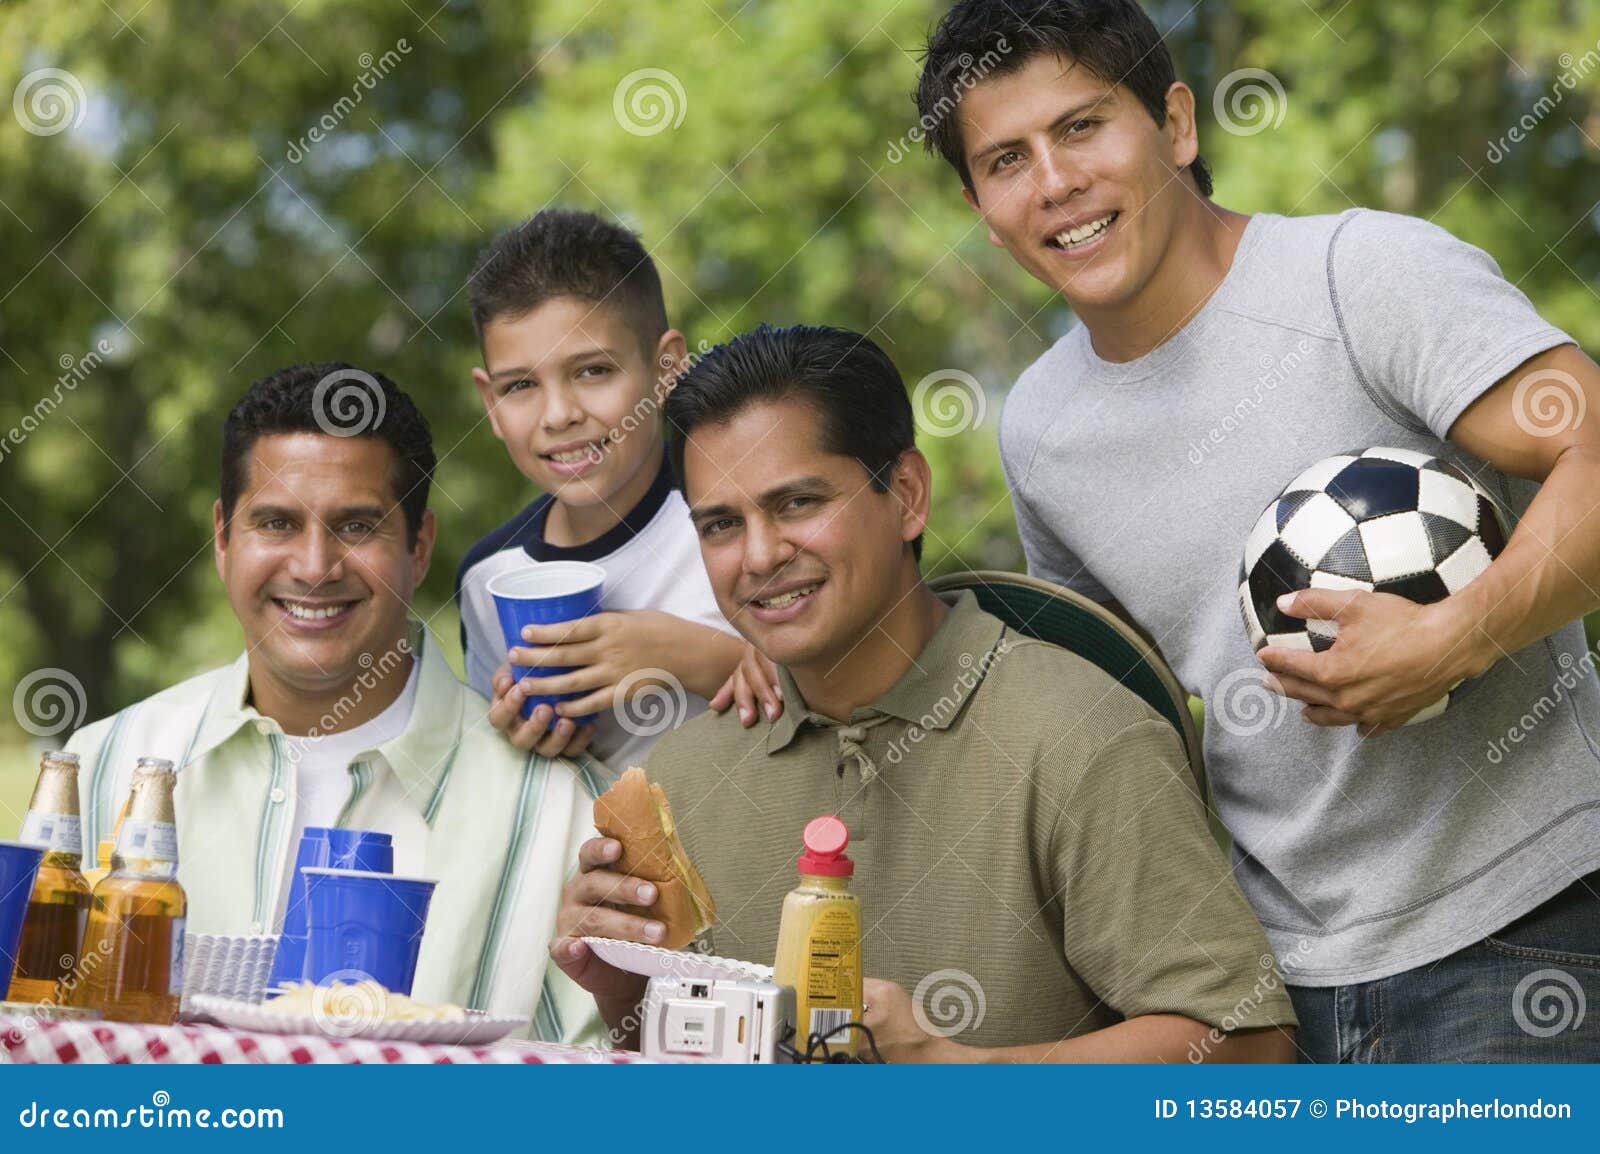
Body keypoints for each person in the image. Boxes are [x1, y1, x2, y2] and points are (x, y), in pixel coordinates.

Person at [917, 0, 1600, 1060]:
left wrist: (1455, 635)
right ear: (979, 204)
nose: (1053, 182)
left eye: (1083, 126)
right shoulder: (1040, 428)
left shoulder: (1360, 275)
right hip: (1278, 987)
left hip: (1526, 931)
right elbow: (1112, 719)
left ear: (1176, 127)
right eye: (1006, 159)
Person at [550, 323, 1297, 1062]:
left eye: (799, 504)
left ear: (906, 494)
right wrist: (625, 992)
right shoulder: (680, 778)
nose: (759, 555)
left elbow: (1248, 1047)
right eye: (720, 524)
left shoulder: (1081, 733)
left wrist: (957, 1073)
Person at [64, 363, 599, 1043]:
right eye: (277, 523)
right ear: (224, 540)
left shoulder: (560, 812)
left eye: (355, 526)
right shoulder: (99, 769)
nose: (315, 567)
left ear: (420, 545)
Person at [456, 208, 750, 776]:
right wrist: (519, 742)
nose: (560, 415)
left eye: (592, 371)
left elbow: (844, 689)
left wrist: (684, 653)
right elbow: (505, 792)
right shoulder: (488, 580)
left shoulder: (739, 521)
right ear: (490, 403)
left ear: (666, 369)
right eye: (520, 386)